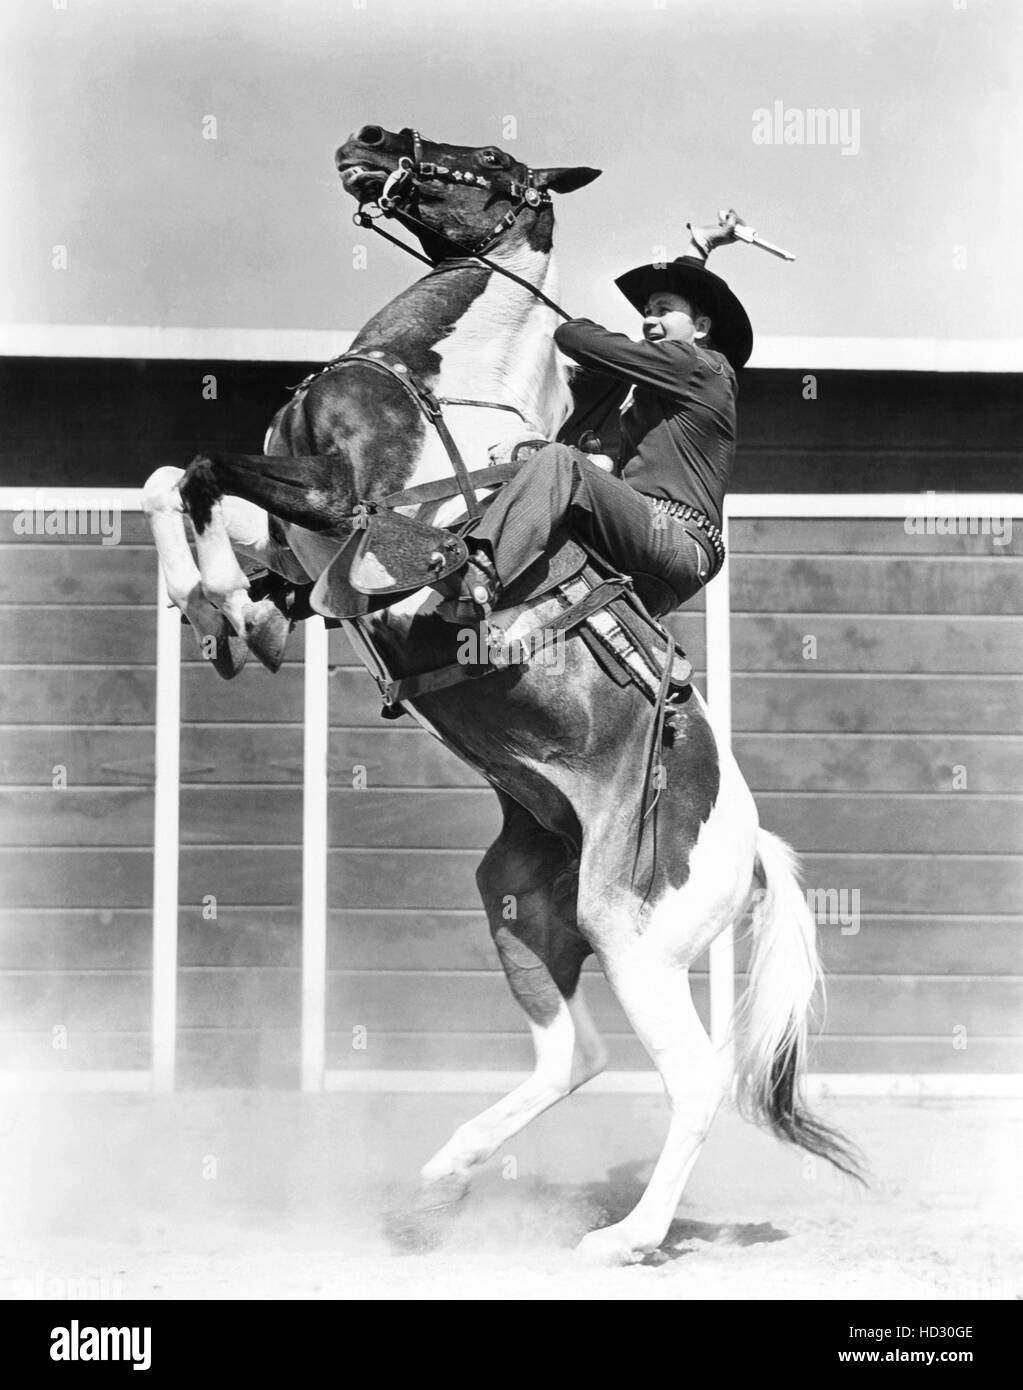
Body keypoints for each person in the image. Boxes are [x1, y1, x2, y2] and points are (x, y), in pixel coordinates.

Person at [446, 212, 754, 621]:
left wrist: (569, 327)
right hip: (664, 558)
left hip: (675, 538)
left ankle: (477, 574)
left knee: (559, 462)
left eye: (662, 310)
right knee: (555, 469)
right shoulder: (679, 380)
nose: (648, 318)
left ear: (700, 328)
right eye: (646, 309)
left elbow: (575, 339)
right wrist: (699, 249)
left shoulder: (698, 365)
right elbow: (683, 298)